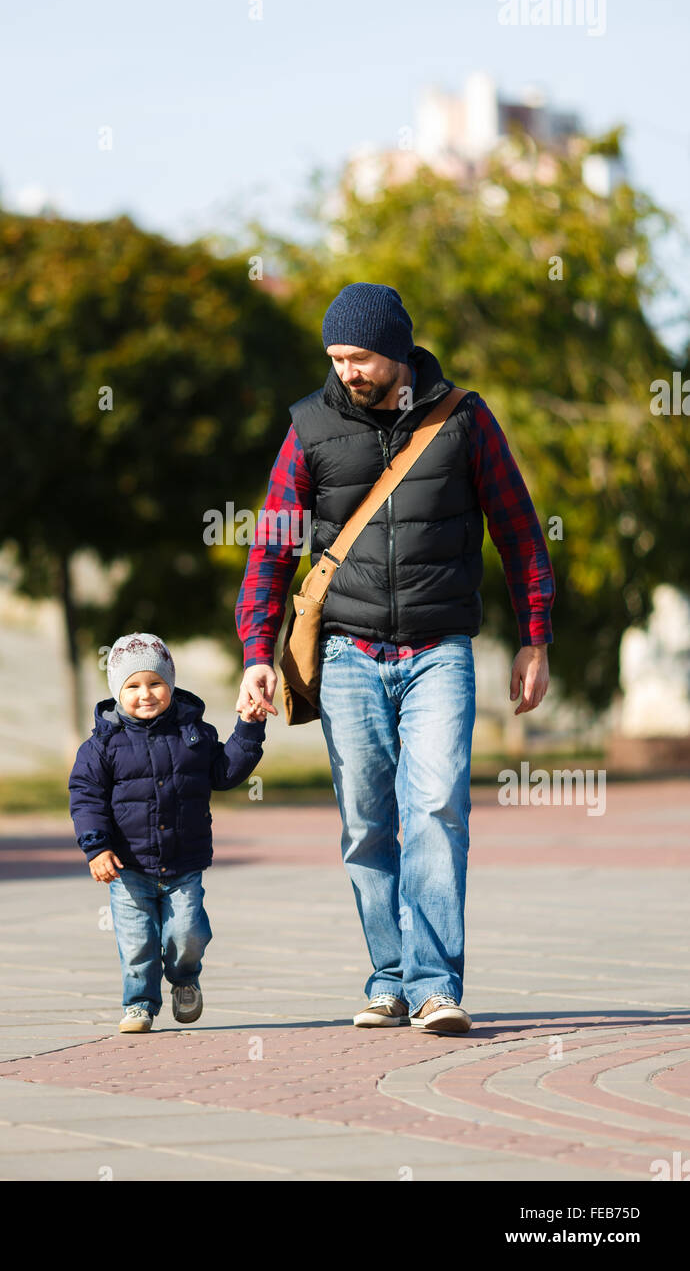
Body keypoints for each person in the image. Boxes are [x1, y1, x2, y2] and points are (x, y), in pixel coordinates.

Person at [234, 283, 555, 1035]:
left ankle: (437, 985)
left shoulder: (465, 420)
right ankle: (387, 979)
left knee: (439, 808)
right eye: (336, 357)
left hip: (440, 648)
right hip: (345, 652)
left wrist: (535, 637)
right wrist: (257, 652)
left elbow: (518, 531)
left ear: (398, 350)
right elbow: (273, 548)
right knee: (366, 825)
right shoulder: (308, 427)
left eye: (360, 357)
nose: (346, 370)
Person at [68, 631, 266, 1033]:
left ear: (172, 685)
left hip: (183, 863)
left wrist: (248, 728)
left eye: (156, 683)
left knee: (187, 934)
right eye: (133, 686)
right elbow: (86, 798)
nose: (146, 694)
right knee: (137, 943)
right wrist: (97, 848)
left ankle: (185, 978)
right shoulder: (102, 746)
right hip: (129, 867)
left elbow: (225, 773)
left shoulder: (194, 734)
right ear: (116, 692)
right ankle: (139, 1003)